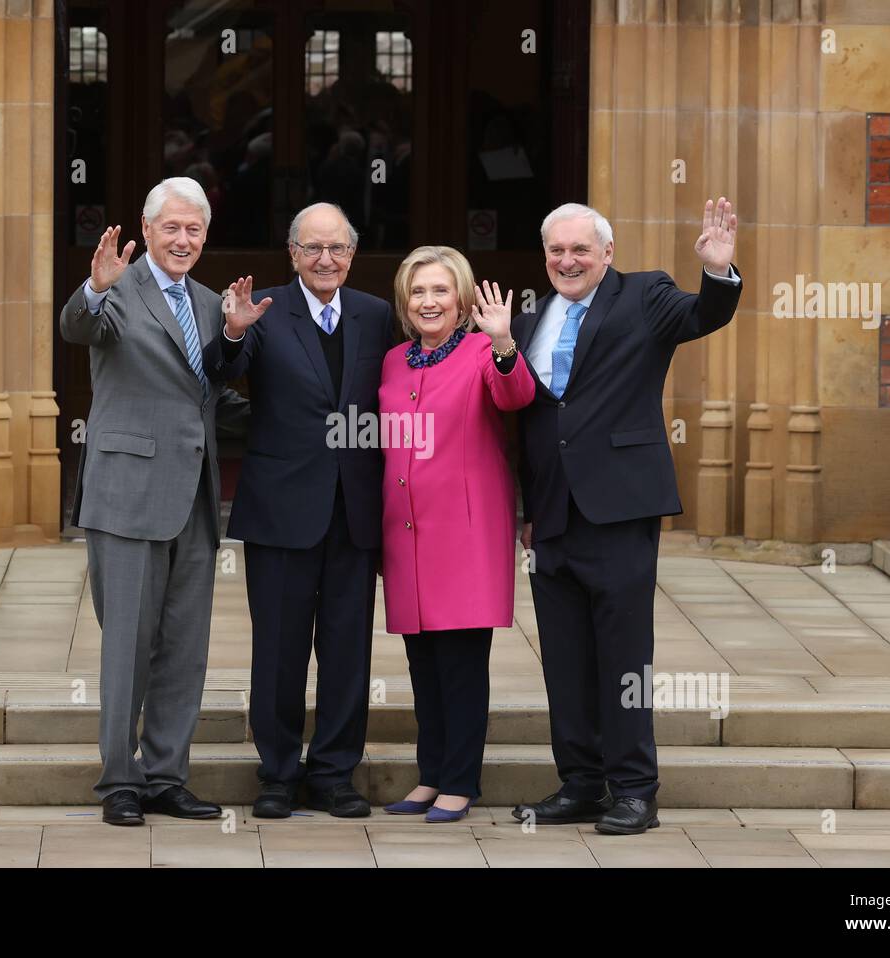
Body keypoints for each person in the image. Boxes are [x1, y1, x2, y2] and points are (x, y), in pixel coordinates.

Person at [511, 198, 741, 835]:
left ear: (607, 253)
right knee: (564, 658)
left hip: (618, 508)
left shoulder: (645, 295)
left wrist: (718, 272)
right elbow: (529, 418)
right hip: (551, 513)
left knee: (623, 657)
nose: (568, 260)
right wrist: (526, 508)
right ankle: (580, 783)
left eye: (581, 249)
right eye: (557, 250)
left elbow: (704, 315)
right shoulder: (529, 318)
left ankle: (635, 790)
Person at [59, 176, 248, 826]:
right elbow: (76, 327)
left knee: (185, 647)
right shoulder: (118, 292)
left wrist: (288, 413)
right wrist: (95, 287)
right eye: (172, 227)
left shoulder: (206, 301)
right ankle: (120, 781)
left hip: (194, 500)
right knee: (128, 645)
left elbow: (209, 394)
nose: (184, 239)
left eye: (194, 229)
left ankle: (167, 775)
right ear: (148, 229)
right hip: (127, 497)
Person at [203, 203, 396, 818]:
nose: (325, 260)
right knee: (280, 651)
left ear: (352, 254)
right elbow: (223, 374)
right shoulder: (262, 310)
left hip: (354, 511)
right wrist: (232, 333)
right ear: (292, 254)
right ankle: (280, 773)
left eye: (336, 248)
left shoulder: (375, 315)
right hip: (281, 509)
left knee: (347, 650)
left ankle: (336, 774)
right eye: (312, 248)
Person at [377, 246, 534, 823]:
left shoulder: (481, 352)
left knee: (462, 666)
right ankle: (432, 774)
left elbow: (516, 396)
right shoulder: (394, 360)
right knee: (423, 666)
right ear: (404, 301)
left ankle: (461, 782)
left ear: (464, 299)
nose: (428, 302)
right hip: (407, 532)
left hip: (465, 535)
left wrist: (502, 342)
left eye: (441, 290)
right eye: (418, 291)